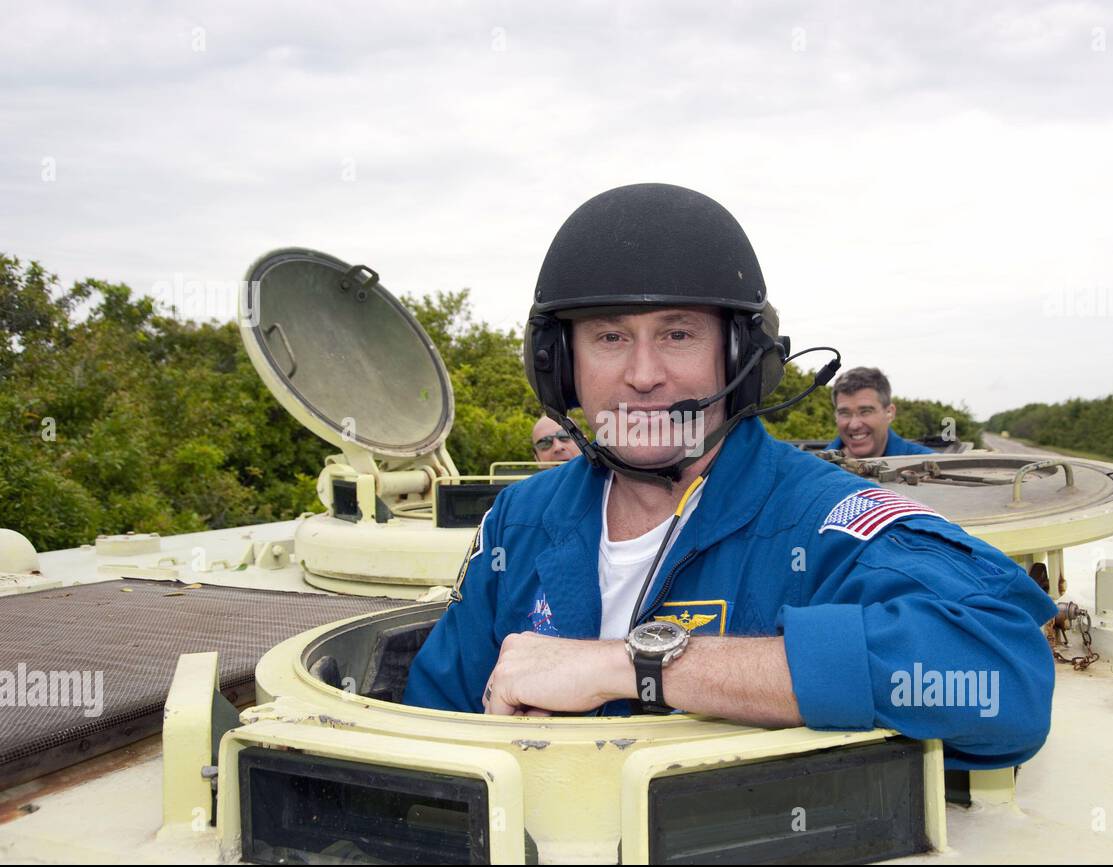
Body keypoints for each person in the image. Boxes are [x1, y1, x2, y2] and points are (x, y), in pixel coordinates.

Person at [403, 183, 1055, 770]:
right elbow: (425, 730)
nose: (644, 374)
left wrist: (635, 666)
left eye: (678, 334)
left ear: (740, 359)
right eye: (609, 337)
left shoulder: (821, 520)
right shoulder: (520, 522)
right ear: (559, 365)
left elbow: (1001, 678)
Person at [825, 367, 935, 457]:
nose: (854, 425)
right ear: (836, 416)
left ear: (889, 413)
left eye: (865, 412)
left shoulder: (929, 465)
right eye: (845, 413)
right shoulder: (814, 468)